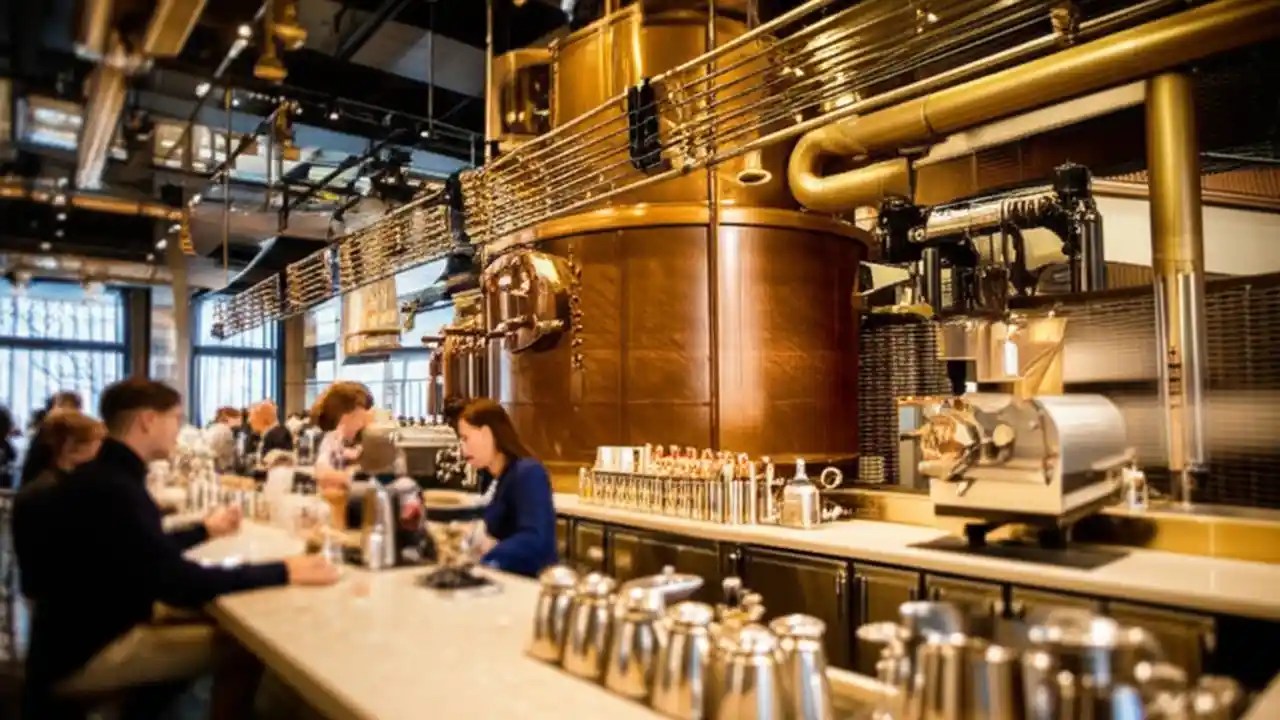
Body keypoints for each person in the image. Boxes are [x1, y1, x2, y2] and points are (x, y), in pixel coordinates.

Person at [21, 378, 339, 719]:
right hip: (85, 652)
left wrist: (205, 529)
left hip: (74, 634)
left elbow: (142, 550)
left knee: (210, 622)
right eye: (175, 417)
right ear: (147, 420)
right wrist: (284, 570)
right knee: (244, 648)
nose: (180, 427)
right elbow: (176, 582)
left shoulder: (106, 476)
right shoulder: (115, 487)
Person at [456, 399, 557, 578]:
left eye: (465, 438)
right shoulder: (496, 477)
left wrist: (489, 554)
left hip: (527, 588)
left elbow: (536, 541)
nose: (462, 449)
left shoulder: (529, 473)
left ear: (487, 433)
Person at [13, 410, 105, 600]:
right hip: (57, 596)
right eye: (97, 443)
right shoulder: (52, 493)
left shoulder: (52, 483)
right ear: (71, 447)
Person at [310, 381, 374, 492]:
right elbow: (321, 472)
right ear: (345, 415)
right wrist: (351, 476)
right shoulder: (329, 439)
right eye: (359, 418)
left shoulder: (339, 441)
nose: (361, 425)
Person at [204, 406, 241, 472]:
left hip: (209, 468)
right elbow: (233, 458)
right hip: (219, 470)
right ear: (228, 418)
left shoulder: (213, 428)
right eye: (237, 417)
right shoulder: (226, 431)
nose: (240, 420)